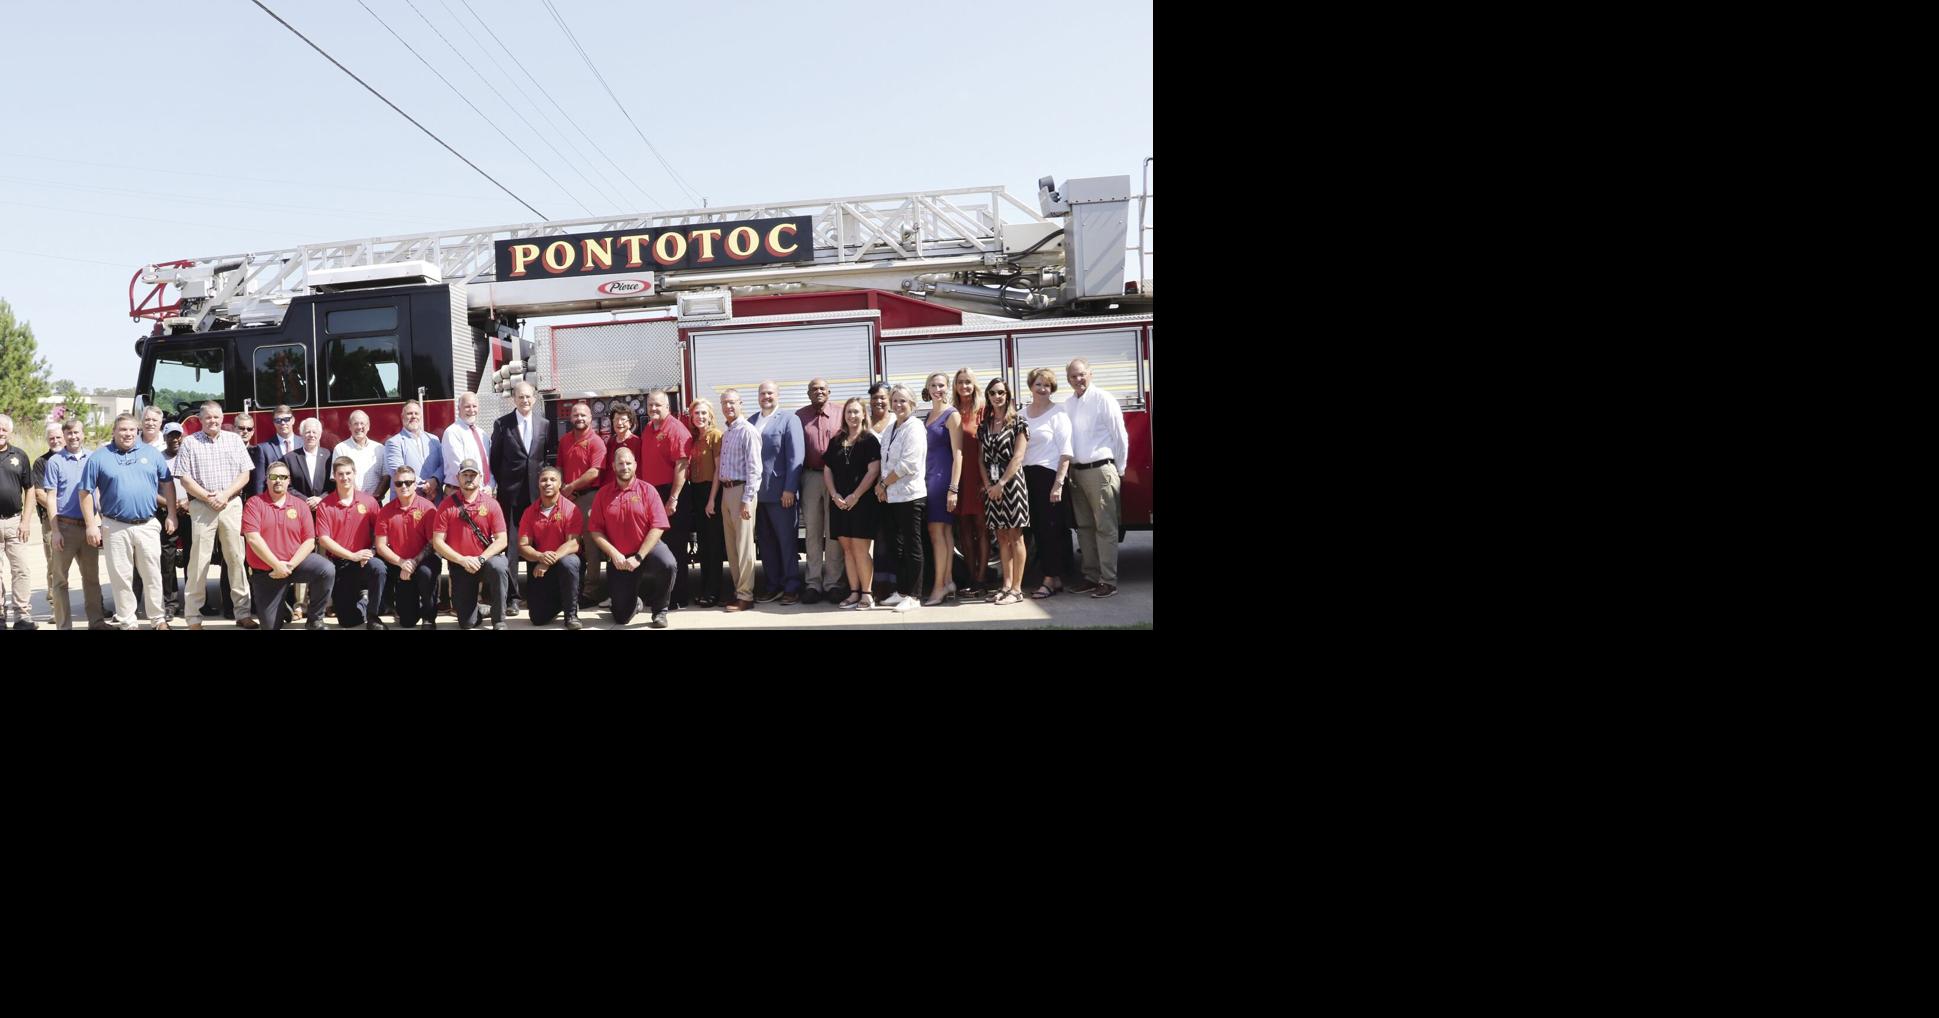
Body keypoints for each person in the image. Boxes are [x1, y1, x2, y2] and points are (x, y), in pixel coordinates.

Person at [78, 413, 178, 630]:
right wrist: (90, 524)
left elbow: (168, 484)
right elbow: (85, 492)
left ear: (138, 431)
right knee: (121, 578)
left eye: (132, 430)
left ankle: (158, 619)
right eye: (123, 429)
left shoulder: (151, 454)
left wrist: (171, 513)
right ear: (114, 431)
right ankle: (127, 622)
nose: (128, 434)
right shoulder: (99, 457)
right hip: (115, 526)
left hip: (147, 524)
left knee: (153, 574)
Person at [174, 402, 258, 629]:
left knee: (236, 560)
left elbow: (245, 474)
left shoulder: (234, 440)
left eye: (217, 417)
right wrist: (207, 497)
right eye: (208, 417)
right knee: (198, 562)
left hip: (231, 505)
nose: (213, 421)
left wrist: (225, 495)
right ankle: (193, 617)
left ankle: (242, 613)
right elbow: (184, 478)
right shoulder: (190, 443)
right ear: (200, 420)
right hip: (202, 507)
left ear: (223, 418)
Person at [1063, 358, 1129, 599]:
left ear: (1090, 374)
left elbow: (1119, 435)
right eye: (1073, 376)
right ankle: (1090, 577)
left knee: (1105, 528)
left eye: (1081, 375)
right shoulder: (1068, 404)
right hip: (1076, 473)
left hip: (1101, 470)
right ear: (1067, 379)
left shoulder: (1103, 398)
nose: (1078, 380)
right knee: (1084, 528)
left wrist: (1118, 470)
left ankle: (1108, 581)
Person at [240, 460, 332, 630]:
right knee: (270, 627)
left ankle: (314, 620)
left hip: (294, 564)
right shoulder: (254, 503)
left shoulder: (300, 505)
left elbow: (309, 541)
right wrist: (277, 565)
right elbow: (253, 539)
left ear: (289, 480)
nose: (278, 481)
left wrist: (289, 566)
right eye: (273, 477)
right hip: (268, 572)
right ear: (266, 479)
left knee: (326, 569)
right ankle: (282, 607)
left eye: (283, 477)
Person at [589, 447, 675, 628]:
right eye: (620, 463)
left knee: (668, 563)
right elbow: (595, 530)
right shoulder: (602, 495)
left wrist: (639, 556)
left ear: (635, 465)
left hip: (647, 549)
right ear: (613, 466)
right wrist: (614, 554)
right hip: (620, 558)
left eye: (628, 463)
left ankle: (660, 611)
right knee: (621, 617)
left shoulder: (648, 490)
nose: (625, 467)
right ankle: (635, 602)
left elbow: (658, 525)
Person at [489, 380, 551, 615]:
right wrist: (503, 484)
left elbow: (544, 458)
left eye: (528, 397)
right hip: (511, 494)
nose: (525, 401)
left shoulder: (544, 424)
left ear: (534, 398)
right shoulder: (502, 424)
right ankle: (513, 597)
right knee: (513, 546)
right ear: (513, 399)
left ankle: (537, 593)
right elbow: (495, 459)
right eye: (520, 397)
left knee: (536, 543)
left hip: (536, 494)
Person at [430, 458, 510, 630]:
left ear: (480, 478)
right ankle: (479, 611)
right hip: (461, 564)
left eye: (473, 475)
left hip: (486, 560)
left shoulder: (491, 504)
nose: (469, 478)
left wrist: (481, 558)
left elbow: (502, 539)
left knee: (499, 567)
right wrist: (462, 560)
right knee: (467, 624)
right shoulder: (446, 506)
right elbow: (437, 542)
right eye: (465, 475)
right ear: (458, 478)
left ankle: (498, 619)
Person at [41, 419, 106, 629]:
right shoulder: (55, 462)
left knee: (92, 580)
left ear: (83, 433)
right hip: (65, 528)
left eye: (76, 432)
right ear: (64, 435)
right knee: (60, 581)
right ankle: (64, 625)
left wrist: (97, 523)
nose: (73, 437)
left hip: (88, 527)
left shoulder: (93, 458)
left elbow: (98, 492)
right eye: (68, 433)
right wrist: (56, 531)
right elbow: (51, 497)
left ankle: (96, 622)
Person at [747, 380, 805, 604]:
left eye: (770, 393)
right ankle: (773, 585)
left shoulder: (790, 419)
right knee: (767, 543)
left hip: (781, 494)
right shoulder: (751, 421)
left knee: (786, 542)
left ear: (777, 395)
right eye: (762, 393)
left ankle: (791, 585)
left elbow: (795, 457)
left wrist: (790, 488)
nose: (766, 397)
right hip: (757, 496)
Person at [314, 456, 386, 628]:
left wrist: (372, 552)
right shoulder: (325, 505)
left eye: (348, 473)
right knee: (348, 622)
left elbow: (381, 531)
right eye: (340, 474)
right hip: (342, 562)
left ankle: (374, 616)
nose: (345, 478)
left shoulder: (369, 501)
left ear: (354, 474)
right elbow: (324, 539)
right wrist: (352, 555)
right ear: (334, 476)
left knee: (379, 569)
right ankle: (364, 601)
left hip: (365, 559)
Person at [978, 377, 1032, 604]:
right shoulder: (985, 425)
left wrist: (1001, 484)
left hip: (1012, 485)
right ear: (988, 397)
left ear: (1007, 395)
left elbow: (1018, 457)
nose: (996, 396)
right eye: (992, 393)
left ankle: (1017, 589)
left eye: (1000, 392)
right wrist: (990, 486)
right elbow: (981, 459)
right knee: (1000, 537)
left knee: (1015, 536)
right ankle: (1006, 585)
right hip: (992, 488)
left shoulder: (1019, 422)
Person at [1022, 368, 1074, 598]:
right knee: (1035, 531)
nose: (1042, 389)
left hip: (1048, 476)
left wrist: (1058, 484)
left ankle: (1050, 579)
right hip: (1025, 477)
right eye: (1038, 384)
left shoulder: (1058, 413)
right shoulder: (1022, 414)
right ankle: (1056, 577)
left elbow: (1066, 453)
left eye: (1047, 385)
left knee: (1049, 531)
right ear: (1031, 386)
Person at [824, 397, 880, 610]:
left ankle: (867, 594)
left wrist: (855, 496)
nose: (852, 416)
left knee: (860, 550)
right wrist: (834, 494)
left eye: (856, 412)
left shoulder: (869, 440)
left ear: (864, 414)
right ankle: (854, 592)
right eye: (849, 412)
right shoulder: (837, 440)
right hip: (839, 503)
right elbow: (828, 469)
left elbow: (873, 471)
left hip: (862, 503)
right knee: (847, 549)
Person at [875, 385, 927, 614]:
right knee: (897, 546)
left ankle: (914, 595)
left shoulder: (915, 427)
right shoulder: (891, 428)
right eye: (894, 400)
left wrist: (884, 484)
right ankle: (902, 591)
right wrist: (882, 486)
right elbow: (884, 461)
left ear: (912, 404)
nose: (897, 405)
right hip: (891, 497)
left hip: (909, 496)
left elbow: (908, 464)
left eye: (902, 401)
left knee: (912, 546)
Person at [639, 391, 693, 609]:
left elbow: (681, 466)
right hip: (653, 495)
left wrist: (673, 498)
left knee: (675, 548)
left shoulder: (676, 429)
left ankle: (677, 596)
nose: (653, 409)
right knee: (657, 547)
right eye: (650, 405)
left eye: (658, 405)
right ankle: (663, 594)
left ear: (668, 408)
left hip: (670, 494)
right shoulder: (649, 429)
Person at [794, 378, 845, 604]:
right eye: (814, 389)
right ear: (808, 394)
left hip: (836, 478)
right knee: (813, 532)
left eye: (822, 388)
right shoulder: (799, 416)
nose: (818, 392)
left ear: (829, 392)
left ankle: (833, 583)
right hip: (811, 477)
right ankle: (813, 583)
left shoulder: (841, 412)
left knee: (833, 531)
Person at [372, 465, 441, 630]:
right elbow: (381, 546)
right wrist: (402, 562)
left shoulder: (428, 507)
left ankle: (429, 617)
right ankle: (404, 608)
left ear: (415, 483)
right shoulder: (386, 511)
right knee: (407, 622)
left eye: (408, 482)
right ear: (394, 485)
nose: (403, 486)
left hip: (424, 561)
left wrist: (413, 563)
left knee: (426, 573)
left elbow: (433, 543)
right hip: (400, 564)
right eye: (398, 483)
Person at [712, 388, 762, 612]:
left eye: (732, 403)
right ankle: (738, 591)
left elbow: (754, 469)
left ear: (741, 403)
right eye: (724, 403)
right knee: (732, 548)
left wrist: (746, 499)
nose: (728, 407)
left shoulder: (747, 431)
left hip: (741, 492)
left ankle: (746, 595)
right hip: (727, 491)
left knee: (744, 548)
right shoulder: (728, 432)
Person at [519, 465, 583, 629]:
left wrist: (547, 560)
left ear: (561, 484)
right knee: (538, 619)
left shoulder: (571, 509)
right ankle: (562, 601)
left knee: (570, 562)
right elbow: (523, 546)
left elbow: (573, 543)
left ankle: (571, 615)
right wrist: (540, 557)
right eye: (544, 480)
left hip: (562, 565)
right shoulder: (529, 512)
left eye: (553, 480)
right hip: (540, 566)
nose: (548, 483)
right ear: (538, 484)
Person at [556, 400, 607, 606]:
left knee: (591, 545)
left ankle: (591, 591)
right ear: (570, 418)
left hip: (588, 497)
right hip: (567, 498)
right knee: (569, 543)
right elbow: (559, 466)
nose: (579, 418)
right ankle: (571, 587)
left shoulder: (596, 442)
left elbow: (595, 471)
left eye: (583, 415)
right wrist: (561, 488)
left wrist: (571, 487)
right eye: (576, 415)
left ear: (590, 418)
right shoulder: (565, 440)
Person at [921, 372, 963, 606]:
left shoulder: (951, 414)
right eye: (934, 385)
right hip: (928, 478)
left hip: (942, 479)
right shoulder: (928, 415)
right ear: (927, 388)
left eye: (942, 385)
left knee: (938, 534)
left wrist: (953, 488)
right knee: (943, 534)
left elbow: (958, 453)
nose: (938, 389)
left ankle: (938, 587)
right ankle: (947, 581)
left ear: (948, 388)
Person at [950, 367, 991, 594]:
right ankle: (970, 576)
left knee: (982, 528)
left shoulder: (983, 411)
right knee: (963, 529)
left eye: (968, 382)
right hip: (958, 477)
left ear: (974, 385)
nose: (964, 386)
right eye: (960, 382)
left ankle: (981, 579)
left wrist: (986, 481)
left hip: (979, 476)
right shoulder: (952, 411)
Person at [686, 399, 725, 607]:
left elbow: (718, 470)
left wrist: (711, 500)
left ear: (710, 415)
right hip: (697, 493)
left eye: (703, 413)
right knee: (703, 546)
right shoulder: (694, 439)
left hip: (712, 493)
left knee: (713, 545)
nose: (700, 417)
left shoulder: (715, 436)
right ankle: (704, 588)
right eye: (696, 414)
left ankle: (713, 592)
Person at [27, 422, 65, 627]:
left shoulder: (74, 457)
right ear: (47, 440)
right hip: (51, 521)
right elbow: (40, 493)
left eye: (59, 437)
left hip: (78, 520)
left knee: (88, 564)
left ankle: (96, 605)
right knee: (54, 564)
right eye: (52, 438)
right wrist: (60, 511)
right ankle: (55, 608)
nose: (56, 440)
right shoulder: (41, 462)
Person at [0, 413, 36, 629]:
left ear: (10, 431)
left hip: (15, 522)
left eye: (4, 428)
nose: (0, 432)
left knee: (21, 570)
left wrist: (26, 521)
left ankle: (22, 615)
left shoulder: (19, 455)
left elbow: (29, 489)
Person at [383, 400, 444, 504]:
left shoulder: (434, 440)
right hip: (406, 503)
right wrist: (425, 485)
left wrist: (435, 480)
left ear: (421, 416)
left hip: (435, 501)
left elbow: (443, 465)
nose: (413, 416)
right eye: (409, 413)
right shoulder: (393, 443)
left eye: (416, 413)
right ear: (402, 417)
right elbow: (398, 471)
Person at [440, 392, 491, 500]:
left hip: (482, 493)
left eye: (474, 406)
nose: (471, 410)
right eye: (467, 406)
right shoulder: (452, 432)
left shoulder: (483, 435)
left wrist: (490, 485)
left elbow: (487, 464)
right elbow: (458, 468)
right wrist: (480, 487)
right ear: (459, 408)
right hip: (458, 494)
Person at [331, 410, 385, 497]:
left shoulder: (380, 449)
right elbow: (337, 478)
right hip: (351, 502)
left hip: (375, 502)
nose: (359, 427)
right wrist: (358, 498)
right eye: (355, 424)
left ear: (368, 426)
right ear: (350, 426)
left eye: (362, 423)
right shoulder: (340, 449)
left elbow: (386, 476)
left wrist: (376, 497)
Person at [283, 418, 333, 504]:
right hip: (299, 508)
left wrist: (320, 499)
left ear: (320, 435)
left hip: (324, 506)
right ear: (301, 434)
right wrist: (305, 500)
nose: (311, 435)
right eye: (307, 432)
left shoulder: (329, 455)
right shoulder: (289, 458)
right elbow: (288, 486)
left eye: (314, 432)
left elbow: (333, 484)